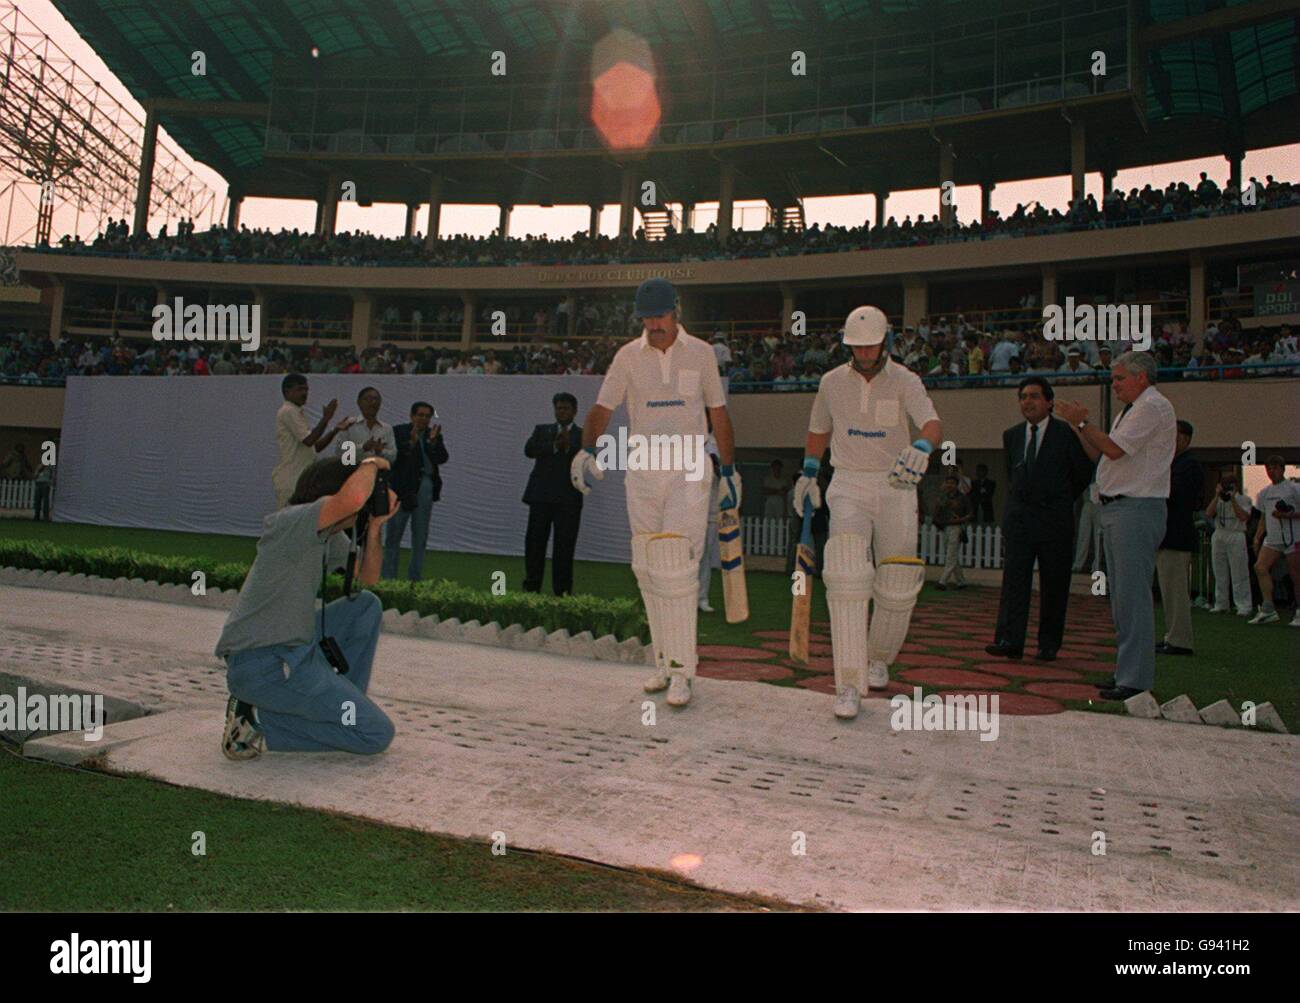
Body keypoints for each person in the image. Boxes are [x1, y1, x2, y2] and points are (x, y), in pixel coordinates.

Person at [572, 278, 740, 708]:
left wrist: (731, 469)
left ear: (676, 311)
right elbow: (602, 408)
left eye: (660, 316)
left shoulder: (701, 354)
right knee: (646, 566)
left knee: (677, 566)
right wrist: (587, 450)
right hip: (643, 467)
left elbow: (717, 412)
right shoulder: (628, 356)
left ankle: (685, 671)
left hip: (688, 465)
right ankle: (664, 662)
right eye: (646, 318)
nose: (654, 325)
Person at [794, 305, 942, 720]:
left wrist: (922, 447)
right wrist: (809, 474)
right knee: (845, 576)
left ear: (886, 342)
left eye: (870, 347)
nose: (862, 355)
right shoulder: (830, 383)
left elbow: (932, 423)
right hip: (848, 483)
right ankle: (848, 680)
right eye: (855, 348)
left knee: (895, 581)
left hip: (896, 484)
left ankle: (878, 657)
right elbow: (818, 430)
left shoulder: (905, 381)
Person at [215, 456, 397, 760]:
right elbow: (351, 498)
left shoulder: (327, 536)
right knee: (375, 734)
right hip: (264, 663)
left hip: (295, 648)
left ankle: (336, 706)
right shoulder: (291, 522)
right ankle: (257, 720)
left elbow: (368, 578)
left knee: (365, 606)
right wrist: (371, 464)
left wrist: (375, 527)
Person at [1055, 352, 1176, 700]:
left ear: (1141, 377)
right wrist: (1078, 428)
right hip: (1119, 508)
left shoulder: (1152, 406)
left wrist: (1082, 424)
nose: (1115, 384)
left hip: (1135, 508)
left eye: (1120, 378)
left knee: (1132, 597)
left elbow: (1113, 449)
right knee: (1122, 597)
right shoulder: (1133, 410)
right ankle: (1127, 671)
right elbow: (1099, 453)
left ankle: (1135, 679)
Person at [987, 376, 1094, 661]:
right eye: (1023, 396)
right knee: (1014, 582)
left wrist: (1058, 499)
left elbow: (1083, 473)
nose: (1027, 401)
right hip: (1020, 520)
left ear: (1049, 402)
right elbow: (1013, 475)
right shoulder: (1012, 435)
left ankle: (1048, 644)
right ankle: (1009, 639)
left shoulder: (1065, 434)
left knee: (1054, 584)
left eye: (1034, 396)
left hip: (1054, 520)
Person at [522, 392, 584, 596]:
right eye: (558, 408)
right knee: (534, 545)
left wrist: (568, 447)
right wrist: (554, 446)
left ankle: (563, 592)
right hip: (540, 496)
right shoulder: (542, 430)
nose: (562, 412)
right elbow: (529, 450)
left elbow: (590, 459)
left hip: (568, 500)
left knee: (564, 547)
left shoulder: (582, 435)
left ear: (574, 411)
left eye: (566, 408)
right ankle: (531, 589)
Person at [382, 402, 448, 581]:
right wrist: (410, 445)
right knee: (393, 537)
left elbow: (442, 458)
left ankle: (415, 579)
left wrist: (433, 443)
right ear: (412, 416)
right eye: (420, 415)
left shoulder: (433, 435)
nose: (424, 419)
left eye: (427, 416)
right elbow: (393, 460)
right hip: (402, 488)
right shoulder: (399, 432)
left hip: (425, 487)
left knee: (420, 537)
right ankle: (389, 579)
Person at [1155, 420, 1203, 655]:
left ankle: (1180, 640)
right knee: (1168, 589)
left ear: (1184, 439)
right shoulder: (1175, 464)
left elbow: (1176, 495)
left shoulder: (1189, 465)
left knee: (1175, 590)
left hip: (1177, 534)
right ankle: (1172, 635)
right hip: (1168, 534)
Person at [272, 373, 350, 508]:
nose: (304, 393)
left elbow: (315, 447)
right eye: (300, 389)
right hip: (292, 478)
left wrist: (335, 430)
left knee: (301, 524)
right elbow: (309, 440)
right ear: (287, 392)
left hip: (302, 479)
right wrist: (325, 419)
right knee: (290, 524)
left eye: (306, 389)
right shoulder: (288, 411)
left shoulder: (296, 411)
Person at [1248, 456, 1300, 625]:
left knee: (1295, 574)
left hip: (1294, 537)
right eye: (1269, 468)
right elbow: (1263, 517)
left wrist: (1287, 515)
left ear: (1282, 469)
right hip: (1273, 538)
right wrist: (1257, 538)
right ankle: (1268, 608)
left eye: (1275, 468)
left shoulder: (1294, 489)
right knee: (1260, 567)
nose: (1272, 472)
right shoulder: (1264, 493)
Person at [1205, 470, 1253, 616]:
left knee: (1239, 572)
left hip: (1236, 534)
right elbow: (1208, 513)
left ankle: (1243, 605)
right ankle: (1221, 603)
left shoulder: (1244, 499)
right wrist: (1216, 496)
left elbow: (1243, 516)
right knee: (1219, 571)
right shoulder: (1219, 499)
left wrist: (1233, 499)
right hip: (1219, 533)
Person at [335, 386, 397, 466]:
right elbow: (341, 455)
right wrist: (363, 448)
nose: (372, 402)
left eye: (375, 399)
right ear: (359, 403)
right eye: (367, 399)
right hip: (352, 473)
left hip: (378, 473)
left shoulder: (387, 428)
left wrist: (380, 452)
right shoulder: (349, 425)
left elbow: (393, 457)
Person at [933, 475, 971, 590]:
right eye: (948, 482)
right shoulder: (943, 497)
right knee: (952, 555)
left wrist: (960, 520)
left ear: (956, 484)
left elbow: (970, 513)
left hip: (956, 527)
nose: (950, 485)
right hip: (945, 528)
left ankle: (943, 581)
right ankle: (961, 581)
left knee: (950, 555)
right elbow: (937, 511)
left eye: (952, 483)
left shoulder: (963, 498)